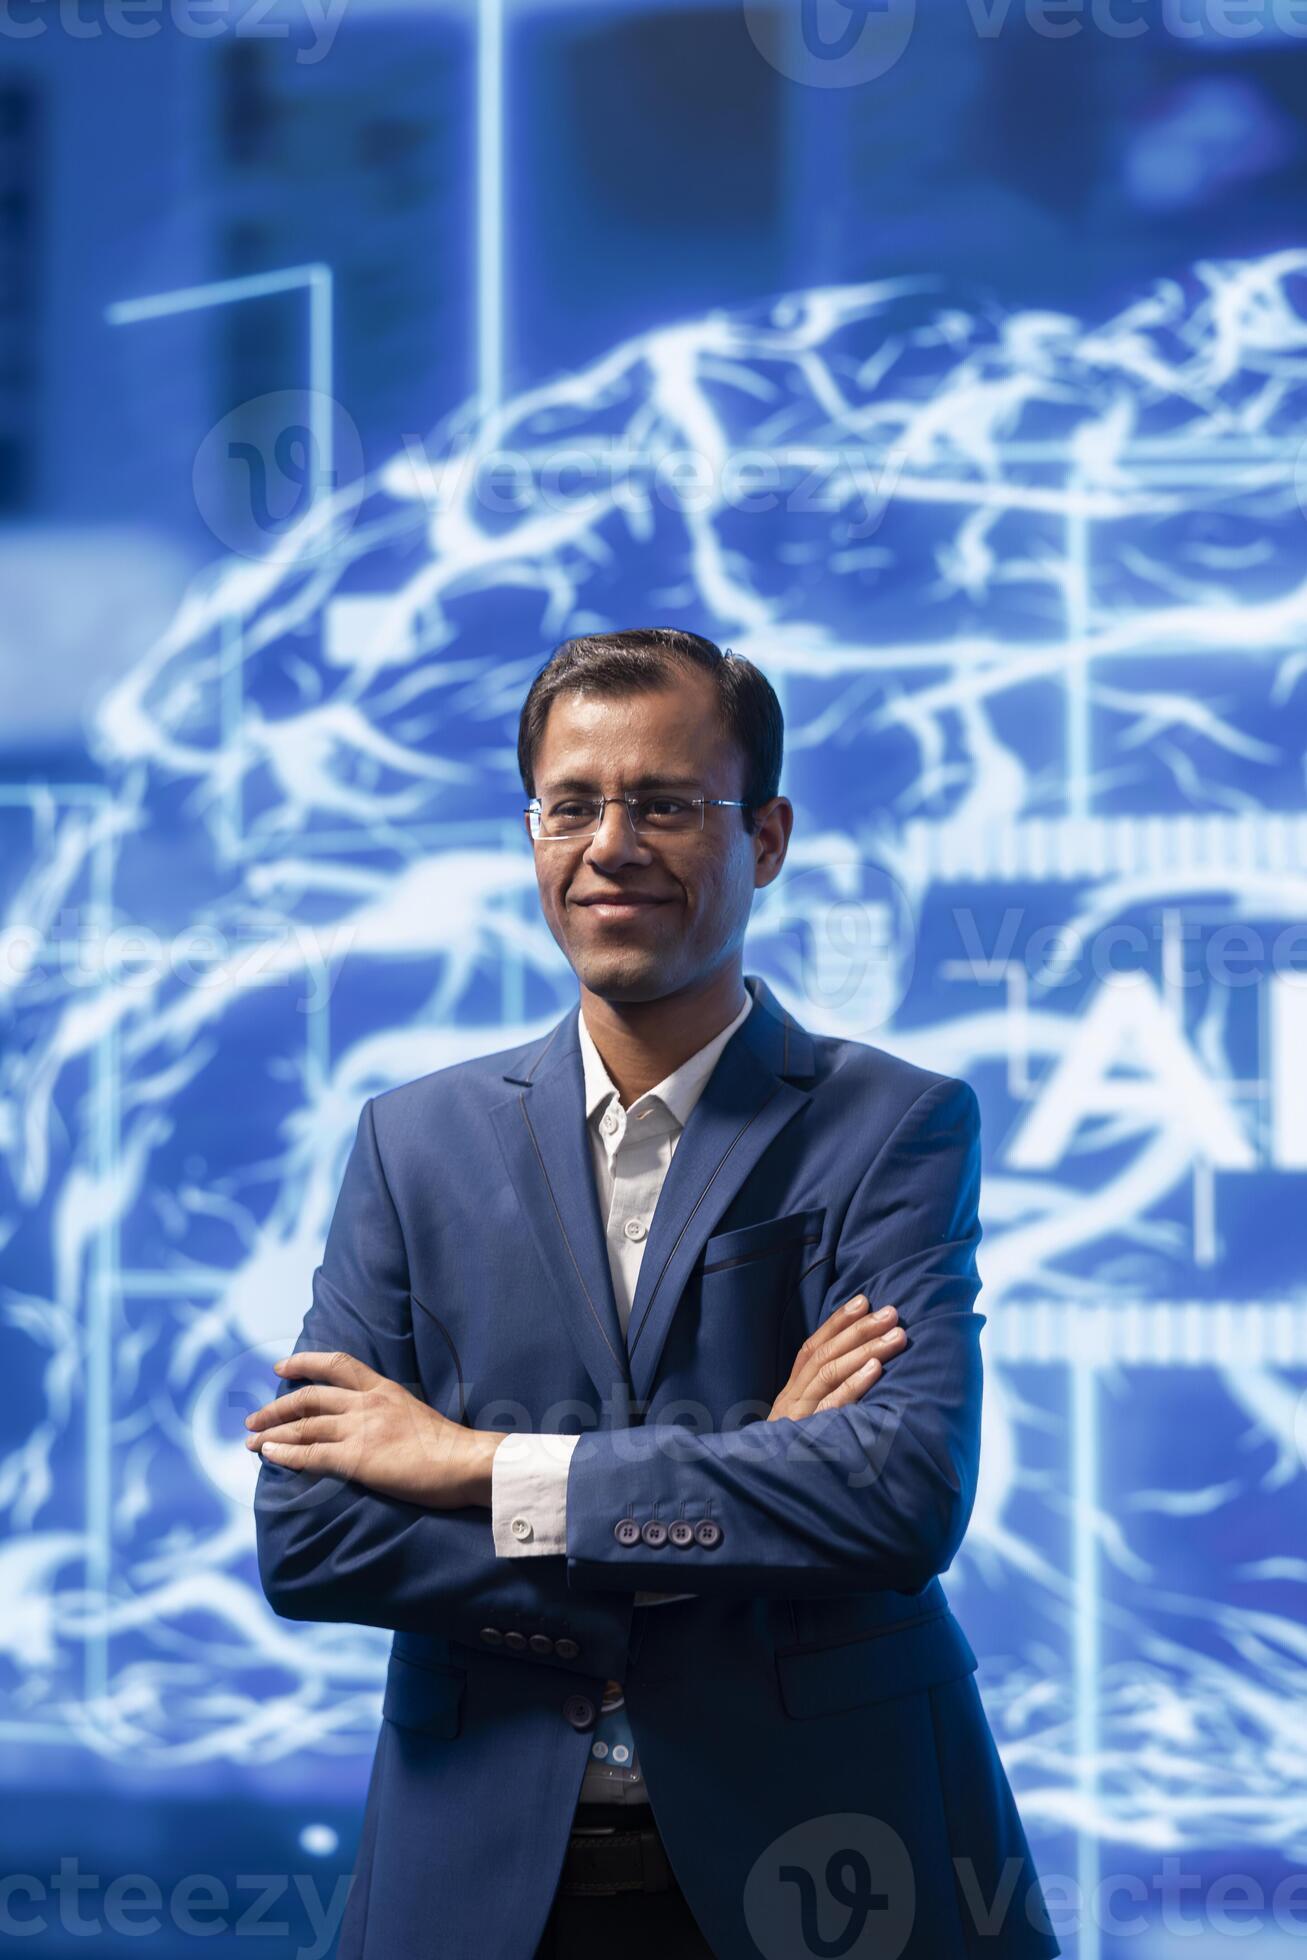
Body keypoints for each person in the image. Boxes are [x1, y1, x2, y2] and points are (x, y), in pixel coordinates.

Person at [247, 629, 1060, 1960]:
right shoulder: (413, 1142)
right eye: (572, 805)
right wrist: (745, 1486)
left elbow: (899, 1498)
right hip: (480, 1871)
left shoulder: (896, 1126)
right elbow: (311, 1537)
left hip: (836, 1860)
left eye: (667, 805)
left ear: (770, 837)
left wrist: (474, 1467)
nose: (610, 844)